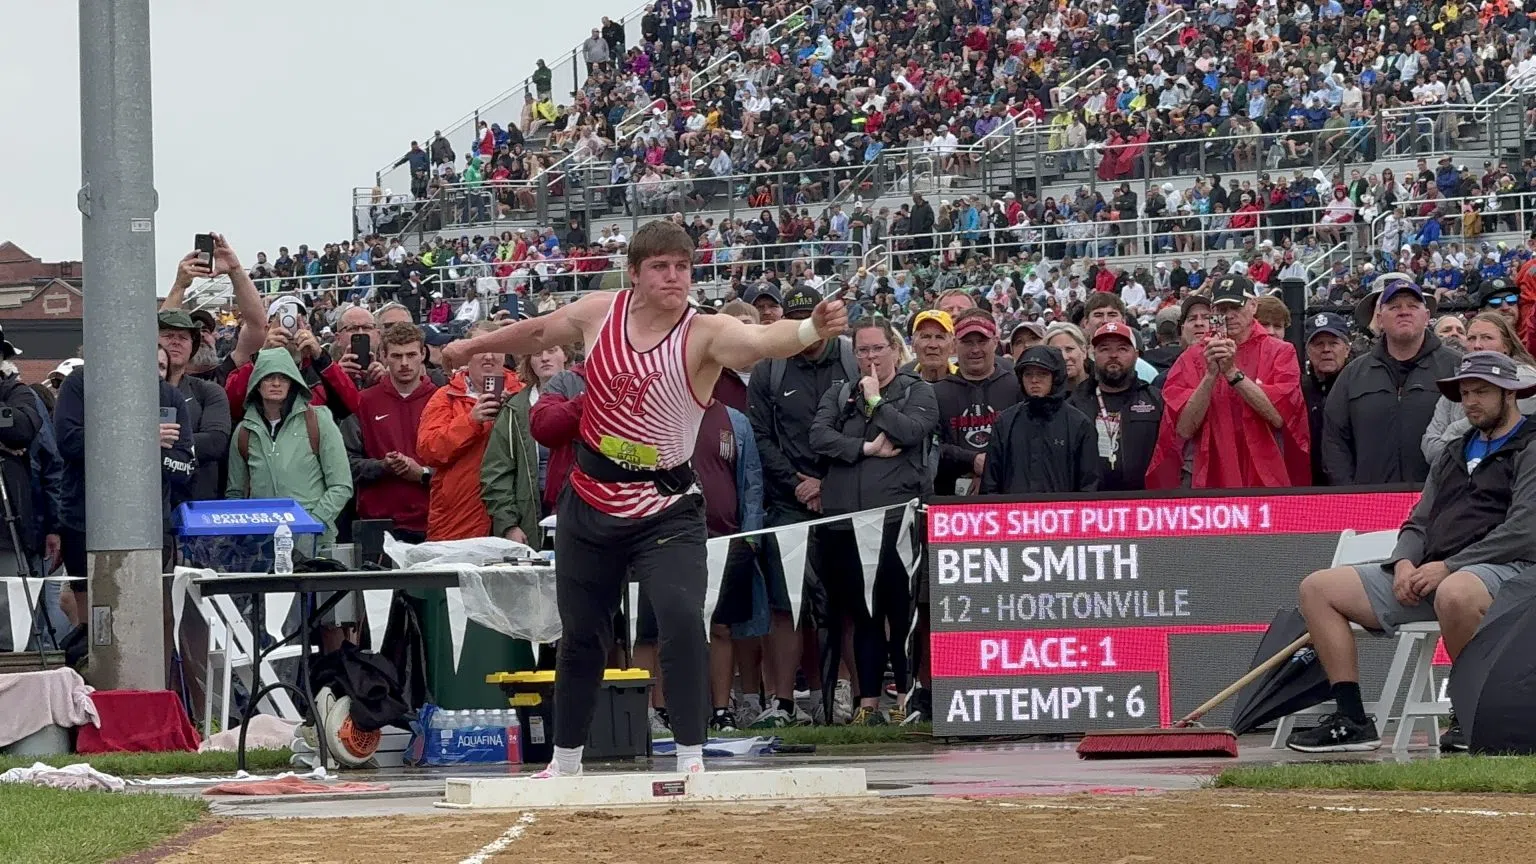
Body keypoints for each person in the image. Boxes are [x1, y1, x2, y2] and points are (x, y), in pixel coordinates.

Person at [440, 219, 849, 777]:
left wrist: (809, 331)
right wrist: (471, 345)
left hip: (666, 508)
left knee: (682, 620)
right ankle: (565, 761)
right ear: (634, 273)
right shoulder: (600, 311)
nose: (673, 277)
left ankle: (688, 756)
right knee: (582, 633)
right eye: (660, 266)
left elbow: (759, 343)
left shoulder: (704, 332)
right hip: (590, 500)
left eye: (682, 266)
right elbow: (537, 334)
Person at [1288, 351, 1536, 754]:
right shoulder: (1454, 449)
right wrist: (1403, 562)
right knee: (1318, 588)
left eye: (1482, 392)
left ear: (1510, 394)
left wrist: (1450, 566)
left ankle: (1471, 715)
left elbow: (1525, 531)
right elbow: (1418, 521)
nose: (1470, 401)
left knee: (1456, 591)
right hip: (1435, 573)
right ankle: (1352, 719)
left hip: (1509, 571)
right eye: (1465, 392)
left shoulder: (1531, 444)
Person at [809, 319, 938, 725]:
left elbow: (912, 430)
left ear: (895, 351)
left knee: (901, 612)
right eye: (862, 351)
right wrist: (865, 448)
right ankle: (867, 703)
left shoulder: (919, 391)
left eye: (877, 349)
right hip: (846, 522)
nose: (869, 358)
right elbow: (819, 436)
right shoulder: (838, 392)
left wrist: (878, 402)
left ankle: (905, 698)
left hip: (897, 522)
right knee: (862, 613)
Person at [745, 285, 859, 727]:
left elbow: (861, 425)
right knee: (784, 605)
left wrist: (830, 483)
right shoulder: (769, 370)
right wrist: (798, 484)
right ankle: (784, 701)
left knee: (849, 601)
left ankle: (847, 692)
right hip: (788, 499)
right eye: (794, 321)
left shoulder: (850, 360)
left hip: (844, 496)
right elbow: (761, 437)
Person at [1146, 274, 1310, 489]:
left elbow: (1279, 417)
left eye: (1236, 307)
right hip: (1207, 475)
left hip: (1263, 474)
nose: (1230, 315)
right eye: (1222, 310)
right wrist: (1210, 376)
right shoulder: (1192, 357)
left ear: (1253, 306)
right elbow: (1183, 429)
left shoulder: (1280, 351)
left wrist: (1233, 373)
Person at [1323, 277, 1460, 485]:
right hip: (1371, 506)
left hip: (1441, 504)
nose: (1404, 311)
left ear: (1427, 317)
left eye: (1413, 306)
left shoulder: (1457, 368)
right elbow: (1334, 442)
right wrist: (1350, 493)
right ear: (1379, 319)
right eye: (1394, 306)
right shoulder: (1353, 374)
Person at [226, 348, 353, 547]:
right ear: (257, 384)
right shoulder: (244, 432)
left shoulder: (319, 421)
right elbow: (235, 493)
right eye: (269, 377)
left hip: (315, 543)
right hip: (261, 546)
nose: (276, 383)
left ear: (293, 382)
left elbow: (341, 485)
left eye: (283, 378)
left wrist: (312, 523)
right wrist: (246, 535)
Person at [418, 321, 523, 541]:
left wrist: (515, 410)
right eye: (480, 349)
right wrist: (471, 421)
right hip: (458, 518)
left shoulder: (522, 395)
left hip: (517, 516)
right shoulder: (445, 396)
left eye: (495, 348)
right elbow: (428, 450)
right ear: (467, 354)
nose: (488, 356)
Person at [344, 323, 437, 545]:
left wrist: (423, 473)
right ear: (383, 356)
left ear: (423, 354)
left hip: (433, 522)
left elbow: (458, 468)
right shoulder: (362, 402)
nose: (404, 363)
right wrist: (382, 466)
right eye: (396, 356)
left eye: (411, 355)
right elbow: (346, 463)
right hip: (377, 524)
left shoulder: (441, 399)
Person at [482, 343, 575, 548]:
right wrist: (509, 525)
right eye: (536, 353)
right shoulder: (514, 409)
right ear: (528, 362)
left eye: (551, 351)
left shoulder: (586, 401)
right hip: (529, 513)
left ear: (566, 356)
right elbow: (496, 473)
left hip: (577, 509)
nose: (544, 358)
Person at [981, 346, 1100, 494]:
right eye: (1028, 374)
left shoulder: (1079, 424)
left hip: (1063, 514)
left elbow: (1089, 485)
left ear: (1055, 377)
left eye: (1042, 374)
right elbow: (990, 484)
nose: (1034, 380)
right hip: (1013, 513)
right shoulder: (1005, 422)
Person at [1422, 312, 1536, 466]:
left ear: (1506, 346)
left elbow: (1493, 418)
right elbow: (1430, 449)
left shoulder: (1524, 379)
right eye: (1471, 338)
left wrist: (1452, 431)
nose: (1477, 345)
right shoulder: (1458, 383)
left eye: (1487, 338)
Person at [934, 309, 1020, 495]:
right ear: (955, 345)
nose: (975, 350)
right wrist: (971, 460)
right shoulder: (937, 393)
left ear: (995, 342)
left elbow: (1029, 443)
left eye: (982, 341)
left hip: (1008, 495)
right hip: (953, 499)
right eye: (967, 342)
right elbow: (931, 448)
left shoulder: (1016, 386)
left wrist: (989, 469)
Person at [1068, 322, 1163, 491]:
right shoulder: (1075, 403)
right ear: (1093, 354)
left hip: (1145, 504)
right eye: (1104, 349)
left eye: (1122, 349)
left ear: (1136, 355)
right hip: (1090, 506)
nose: (1113, 355)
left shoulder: (1155, 400)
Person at [158, 310, 231, 503]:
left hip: (197, 507)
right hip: (144, 505)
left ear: (193, 346)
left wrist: (154, 442)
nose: (175, 341)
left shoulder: (209, 392)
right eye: (168, 335)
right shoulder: (132, 395)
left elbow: (215, 442)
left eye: (183, 337)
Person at [1301, 312, 1353, 486]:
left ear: (1347, 349)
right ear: (1308, 351)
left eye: (1333, 343)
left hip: (1352, 486)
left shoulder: (1359, 387)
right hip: (1308, 486)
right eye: (1318, 344)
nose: (1326, 350)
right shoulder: (1299, 389)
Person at [905, 309, 954, 382]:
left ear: (952, 345)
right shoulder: (902, 382)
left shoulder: (965, 381)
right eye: (926, 337)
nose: (933, 345)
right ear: (913, 344)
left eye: (939, 337)